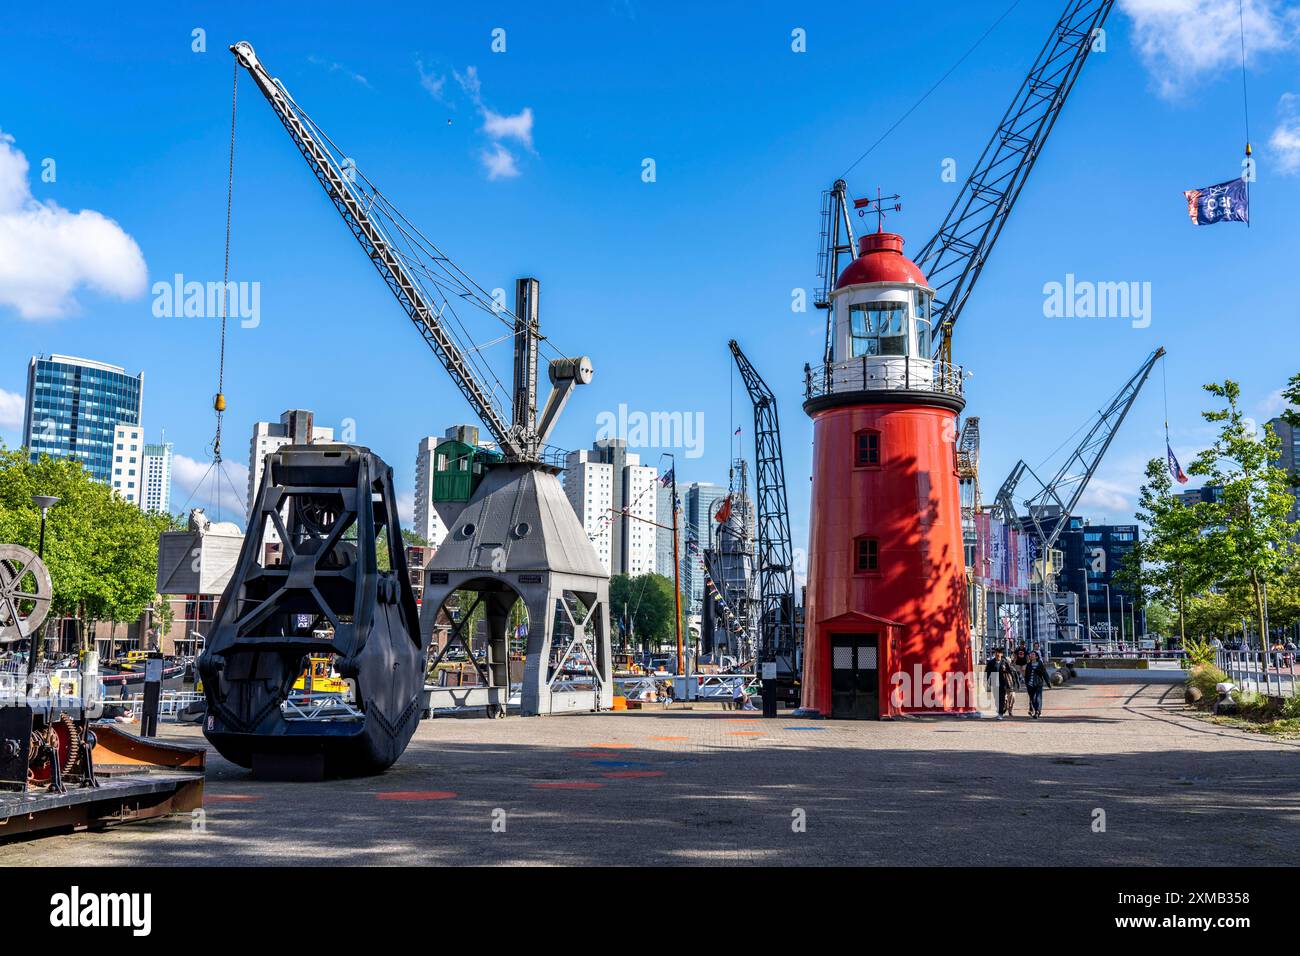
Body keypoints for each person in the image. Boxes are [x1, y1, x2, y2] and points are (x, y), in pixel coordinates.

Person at [984, 648, 1016, 719]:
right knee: (996, 699)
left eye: (999, 653)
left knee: (1001, 698)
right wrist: (985, 681)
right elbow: (987, 672)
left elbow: (1010, 671)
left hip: (1003, 682)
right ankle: (1000, 710)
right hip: (994, 682)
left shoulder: (1004, 662)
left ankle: (1000, 713)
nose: (997, 654)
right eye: (996, 653)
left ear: (1001, 654)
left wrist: (1013, 681)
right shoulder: (991, 662)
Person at [1024, 650, 1051, 719]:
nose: (1031, 656)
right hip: (1030, 685)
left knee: (1038, 698)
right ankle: (1036, 710)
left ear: (1036, 656)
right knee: (1033, 699)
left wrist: (1048, 682)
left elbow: (1044, 673)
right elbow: (1026, 675)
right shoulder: (1028, 665)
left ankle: (1037, 712)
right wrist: (1026, 683)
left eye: (1033, 654)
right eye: (1030, 655)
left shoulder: (1040, 664)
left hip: (1038, 684)